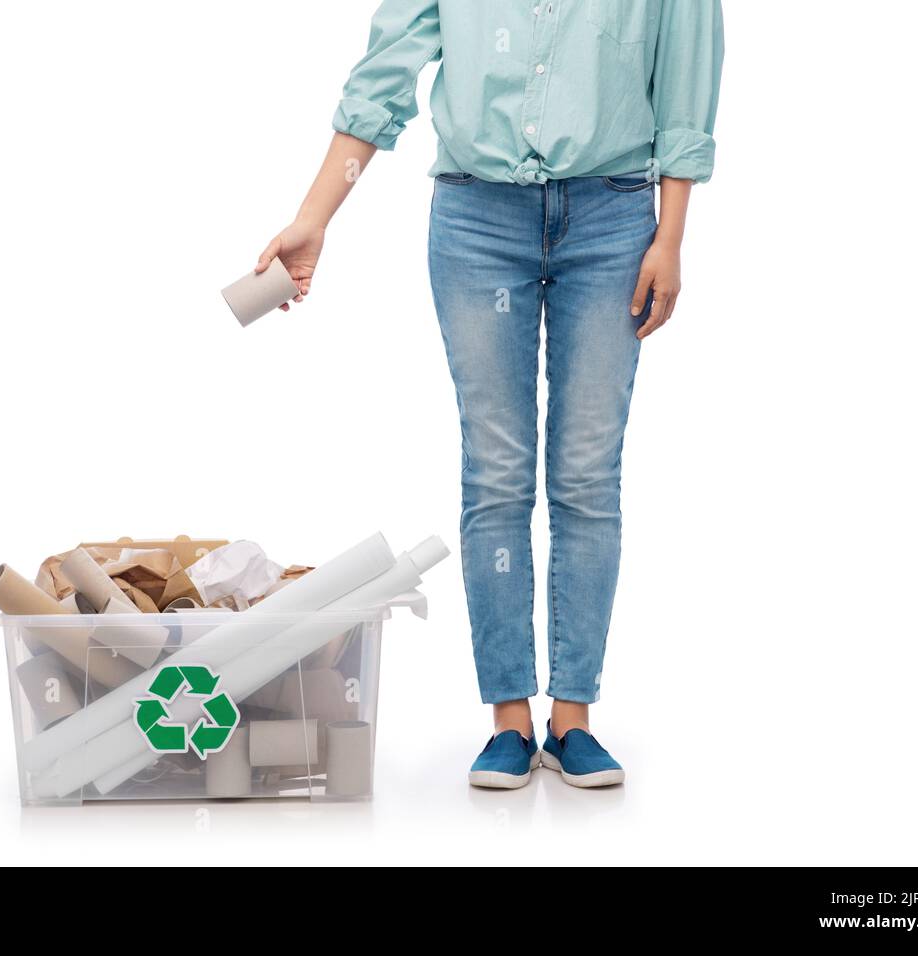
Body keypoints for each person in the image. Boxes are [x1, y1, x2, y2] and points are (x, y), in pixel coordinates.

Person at [256, 1, 724, 789]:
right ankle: (509, 718)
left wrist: (669, 238)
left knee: (585, 472)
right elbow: (386, 76)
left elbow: (685, 93)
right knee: (497, 471)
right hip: (477, 220)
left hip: (613, 222)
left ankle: (572, 718)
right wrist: (314, 217)